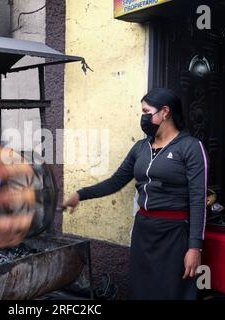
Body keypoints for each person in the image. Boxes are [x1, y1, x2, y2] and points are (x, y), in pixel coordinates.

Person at [63, 88, 209, 300]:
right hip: (143, 233)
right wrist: (80, 194)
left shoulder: (191, 147)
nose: (143, 117)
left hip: (174, 235)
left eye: (146, 111)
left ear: (165, 112)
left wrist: (195, 247)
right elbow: (116, 181)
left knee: (172, 292)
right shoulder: (140, 148)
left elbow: (198, 200)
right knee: (141, 292)